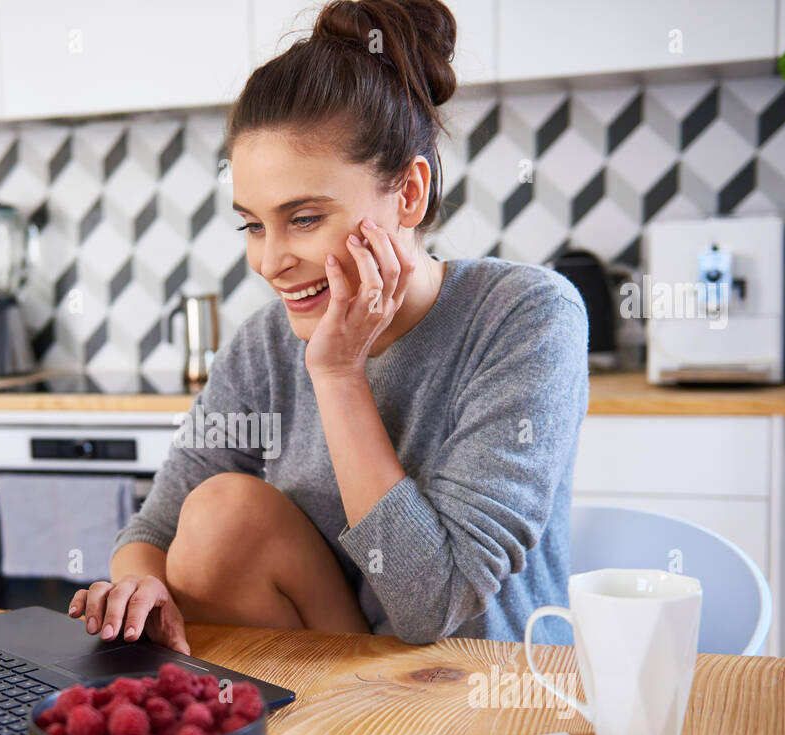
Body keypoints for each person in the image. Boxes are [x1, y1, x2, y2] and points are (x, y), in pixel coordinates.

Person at [68, 0, 588, 655]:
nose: (270, 261)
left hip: (477, 693)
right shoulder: (264, 345)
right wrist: (138, 590)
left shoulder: (525, 319)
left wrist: (339, 375)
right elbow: (158, 527)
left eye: (304, 218)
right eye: (253, 225)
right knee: (216, 513)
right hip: (336, 696)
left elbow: (431, 608)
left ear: (408, 194)